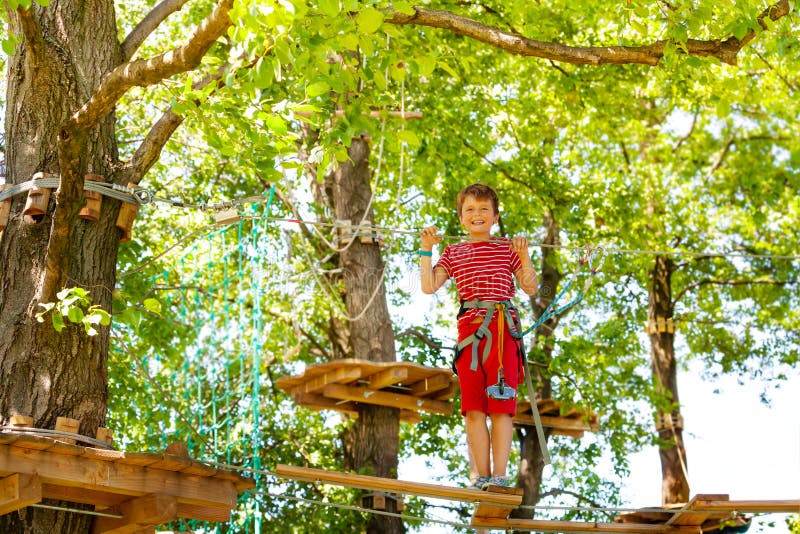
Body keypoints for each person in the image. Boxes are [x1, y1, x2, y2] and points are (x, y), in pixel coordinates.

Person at [419, 183, 538, 490]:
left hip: (502, 330)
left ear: (495, 217)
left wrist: (523, 255)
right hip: (470, 334)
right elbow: (429, 286)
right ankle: (481, 477)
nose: (477, 214)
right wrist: (426, 249)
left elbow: (530, 287)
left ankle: (499, 477)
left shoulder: (506, 248)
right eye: (470, 209)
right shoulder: (454, 252)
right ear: (461, 219)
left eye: (484, 209)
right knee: (473, 408)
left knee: (501, 403)